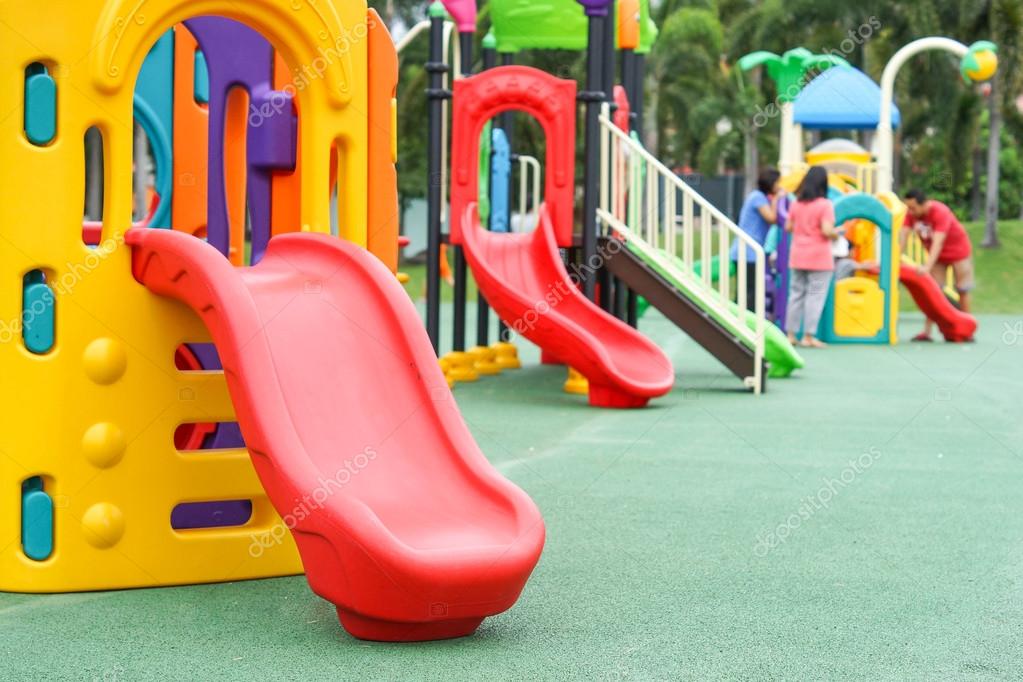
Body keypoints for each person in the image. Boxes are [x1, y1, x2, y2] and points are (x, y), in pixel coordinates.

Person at [900, 189, 975, 341]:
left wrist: (927, 266)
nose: (910, 211)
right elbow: (903, 238)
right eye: (908, 207)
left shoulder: (940, 211)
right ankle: (927, 332)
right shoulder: (911, 215)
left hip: (958, 252)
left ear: (923, 204)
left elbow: (938, 242)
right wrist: (895, 258)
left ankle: (967, 330)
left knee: (962, 289)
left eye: (913, 207)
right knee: (932, 291)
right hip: (938, 257)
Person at [784, 166, 839, 348]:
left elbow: (788, 227)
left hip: (798, 255)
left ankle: (790, 334)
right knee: (814, 296)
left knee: (796, 295)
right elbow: (826, 230)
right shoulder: (825, 205)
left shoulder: (796, 204)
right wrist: (836, 234)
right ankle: (808, 336)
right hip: (819, 258)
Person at [731, 168, 782, 310]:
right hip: (747, 253)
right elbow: (772, 218)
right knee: (748, 294)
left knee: (748, 292)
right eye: (778, 183)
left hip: (750, 253)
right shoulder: (757, 197)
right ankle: (739, 324)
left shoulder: (762, 198)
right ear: (771, 183)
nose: (780, 186)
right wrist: (778, 197)